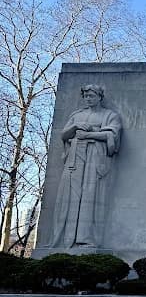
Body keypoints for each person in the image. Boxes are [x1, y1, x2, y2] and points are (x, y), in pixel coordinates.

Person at [51, 84, 122, 248]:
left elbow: (112, 135)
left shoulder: (109, 115)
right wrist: (75, 127)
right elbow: (64, 135)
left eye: (92, 96)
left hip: (94, 158)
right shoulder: (77, 115)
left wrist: (89, 134)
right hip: (75, 158)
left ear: (99, 97)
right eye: (86, 96)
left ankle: (85, 238)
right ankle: (66, 238)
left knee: (90, 195)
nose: (88, 99)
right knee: (70, 194)